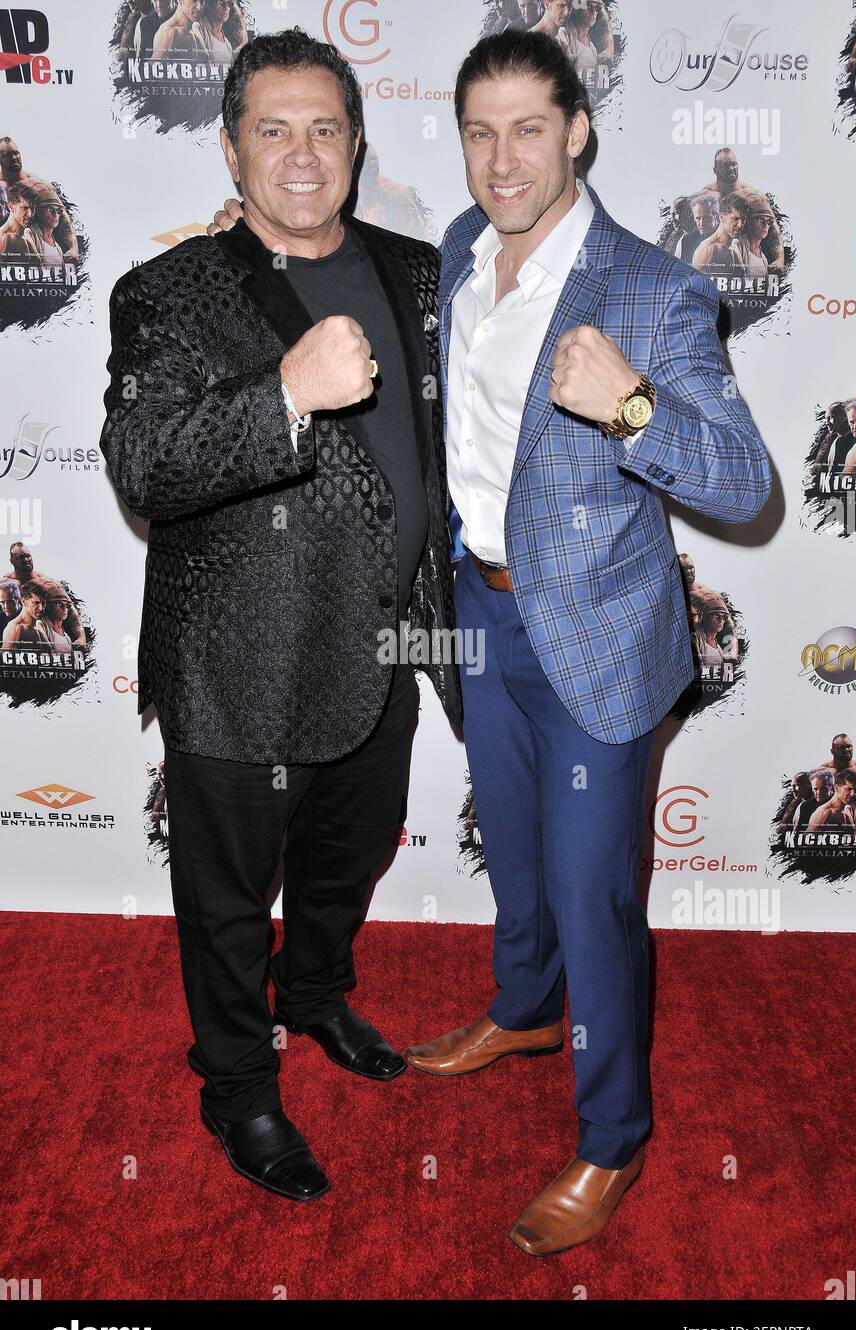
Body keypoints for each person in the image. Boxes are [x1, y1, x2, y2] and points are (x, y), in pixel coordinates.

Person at [403, 30, 771, 1256]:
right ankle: (519, 1007)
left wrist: (625, 402)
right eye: (478, 131)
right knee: (509, 847)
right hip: (474, 610)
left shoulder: (652, 289)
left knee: (588, 892)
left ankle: (611, 1135)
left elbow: (740, 480)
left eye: (526, 128)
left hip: (597, 632)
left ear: (576, 133)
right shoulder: (459, 252)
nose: (501, 159)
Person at [102, 26, 462, 1205]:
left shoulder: (420, 272)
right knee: (223, 903)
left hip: (387, 648)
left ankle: (311, 997)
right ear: (228, 147)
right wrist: (285, 394)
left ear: (356, 145)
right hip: (236, 660)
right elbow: (146, 464)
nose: (301, 155)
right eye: (273, 129)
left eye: (324, 129)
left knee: (346, 860)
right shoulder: (167, 289)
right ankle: (235, 1084)